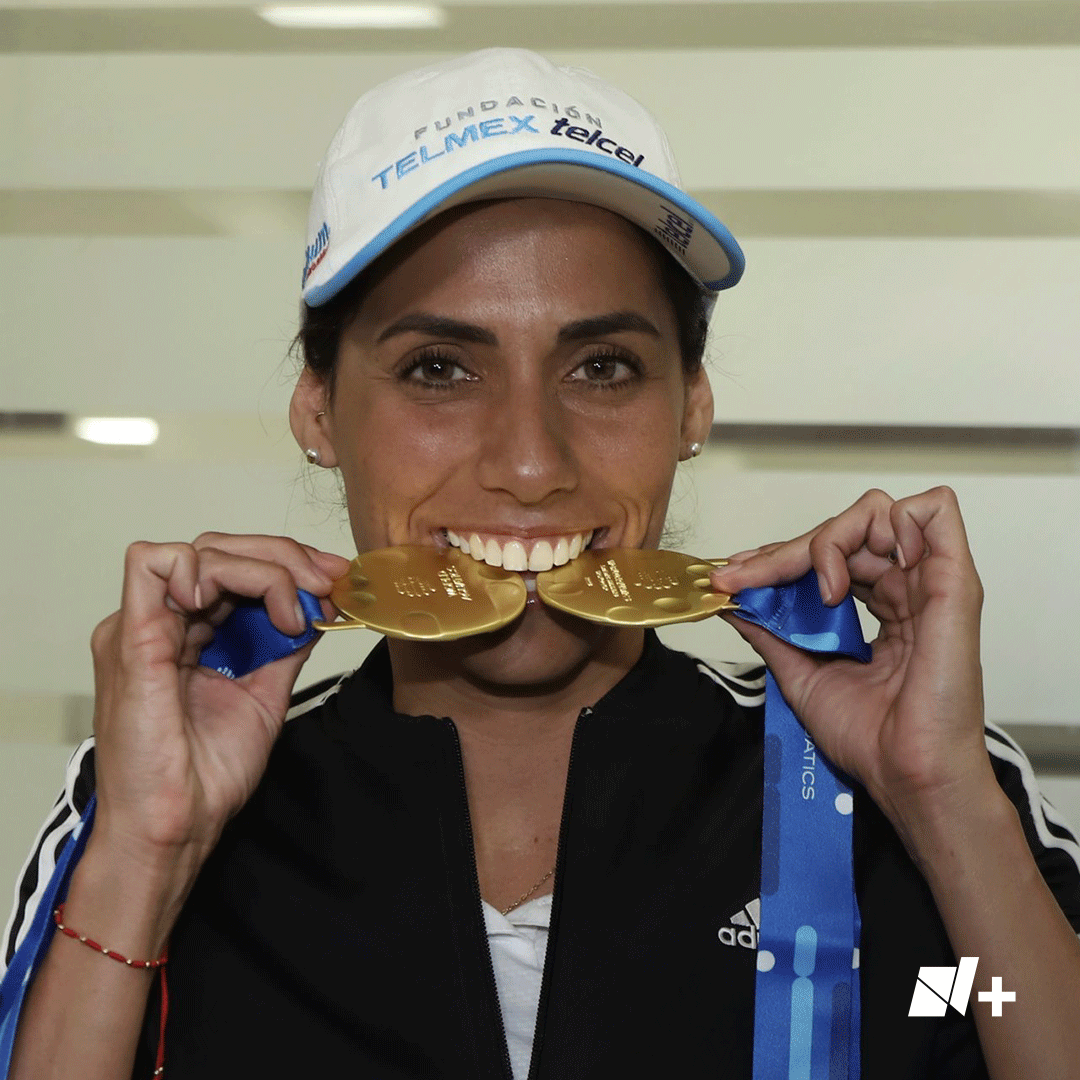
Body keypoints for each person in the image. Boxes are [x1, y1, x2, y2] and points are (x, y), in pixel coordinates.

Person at [3, 48, 1079, 1080]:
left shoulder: (879, 784)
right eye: (439, 368)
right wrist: (146, 854)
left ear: (691, 406)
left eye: (602, 366)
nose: (529, 463)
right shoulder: (166, 803)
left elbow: (967, 1006)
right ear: (319, 410)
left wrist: (944, 807)